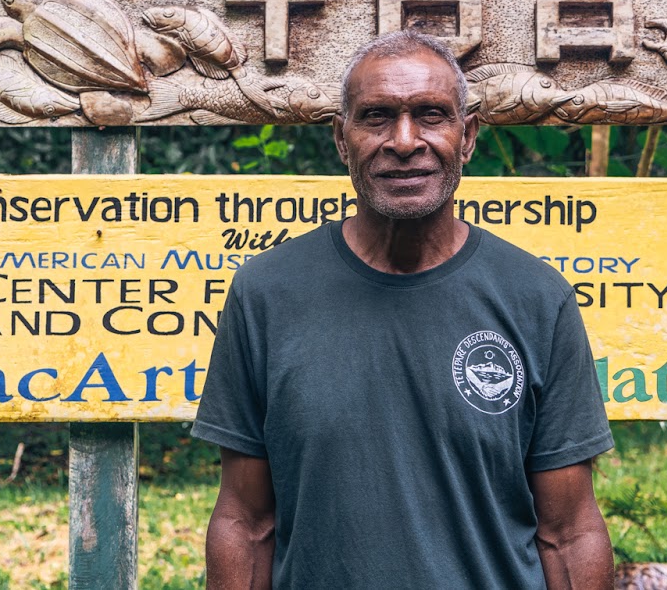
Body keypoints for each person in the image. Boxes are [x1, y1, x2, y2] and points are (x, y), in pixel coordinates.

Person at [193, 31, 615, 590]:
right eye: (376, 116)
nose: (405, 139)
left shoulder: (537, 299)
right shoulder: (267, 293)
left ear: (466, 137)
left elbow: (569, 532)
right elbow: (245, 522)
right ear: (341, 140)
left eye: (431, 115)